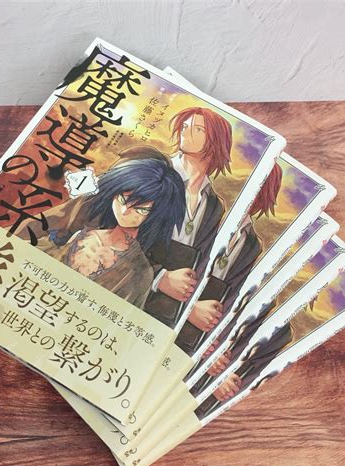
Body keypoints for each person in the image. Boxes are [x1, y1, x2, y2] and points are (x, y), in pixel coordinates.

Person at [33, 155, 186, 309]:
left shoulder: (139, 271)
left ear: (156, 216)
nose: (125, 211)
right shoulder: (84, 231)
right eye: (122, 200)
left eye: (141, 209)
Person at [176, 162, 283, 355]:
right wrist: (188, 309)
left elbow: (235, 300)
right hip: (169, 307)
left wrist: (213, 342)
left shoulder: (252, 245)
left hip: (198, 335)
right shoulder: (207, 208)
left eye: (261, 186)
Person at [147, 106, 232, 331]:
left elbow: (198, 264)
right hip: (128, 290)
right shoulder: (155, 173)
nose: (185, 131)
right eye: (184, 126)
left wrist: (191, 306)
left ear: (216, 141)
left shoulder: (213, 205)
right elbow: (115, 232)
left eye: (198, 129)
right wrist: (159, 277)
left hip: (165, 314)